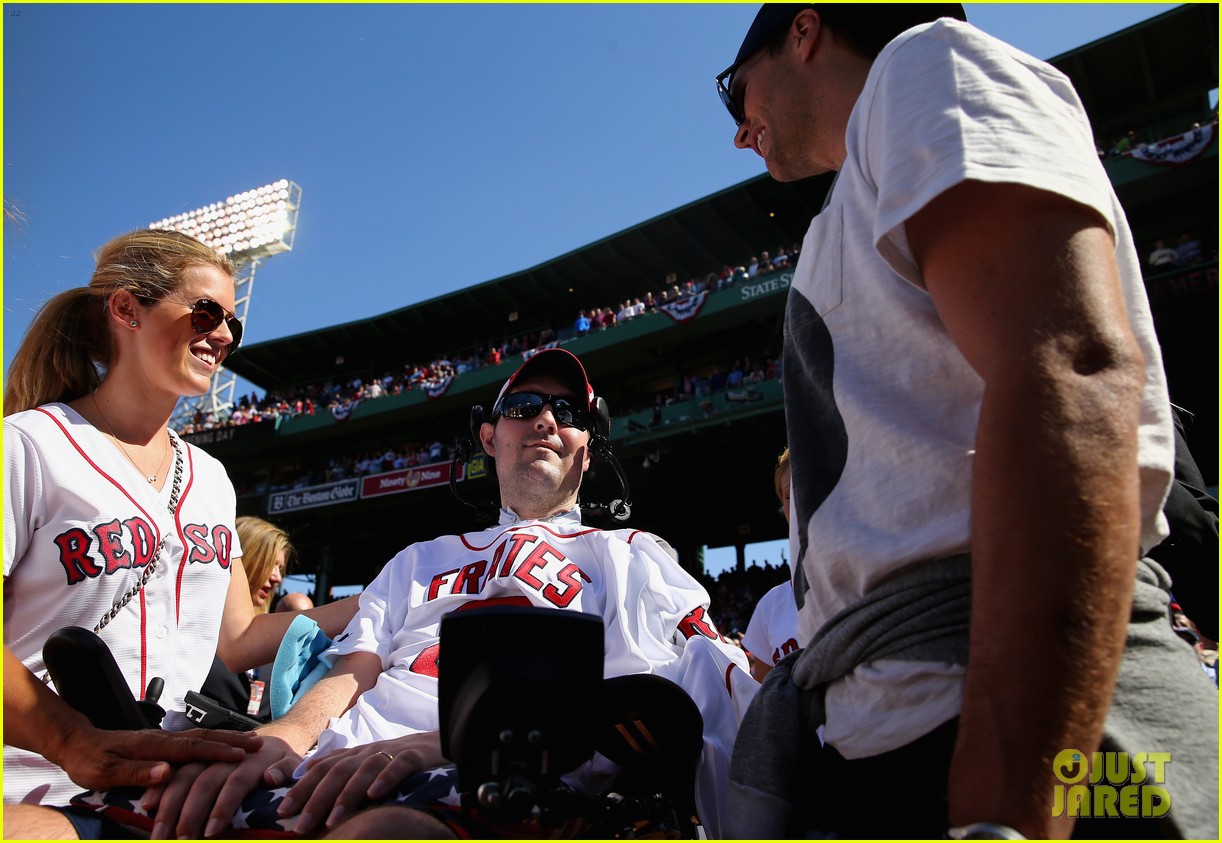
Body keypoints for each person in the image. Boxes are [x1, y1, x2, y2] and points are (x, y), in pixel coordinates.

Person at [715, 5, 1216, 839]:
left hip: (1015, 726)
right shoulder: (847, 200)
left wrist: (1007, 805)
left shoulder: (923, 65)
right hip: (898, 722)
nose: (739, 132)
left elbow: (1068, 368)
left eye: (736, 93)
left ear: (804, 31)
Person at [102, 347, 755, 840]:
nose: (546, 420)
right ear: (490, 437)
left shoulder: (635, 555)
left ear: (587, 449)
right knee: (96, 817)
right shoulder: (418, 559)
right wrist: (275, 741)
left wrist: (450, 742)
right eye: (524, 406)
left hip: (495, 780)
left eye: (569, 412)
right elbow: (352, 672)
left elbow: (651, 704)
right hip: (341, 760)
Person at [2, 229, 358, 839]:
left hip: (170, 789)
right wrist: (70, 739)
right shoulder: (26, 445)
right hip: (33, 779)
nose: (222, 334)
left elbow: (238, 639)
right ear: (125, 310)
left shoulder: (212, 478)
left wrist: (386, 595)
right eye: (205, 312)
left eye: (232, 324)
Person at [199, 516, 296, 721]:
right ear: (244, 559)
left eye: (280, 568)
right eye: (271, 564)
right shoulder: (199, 625)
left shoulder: (272, 641)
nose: (277, 577)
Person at [741, 447, 798, 682]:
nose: (797, 501)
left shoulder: (874, 580)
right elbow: (762, 698)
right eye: (788, 496)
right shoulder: (771, 605)